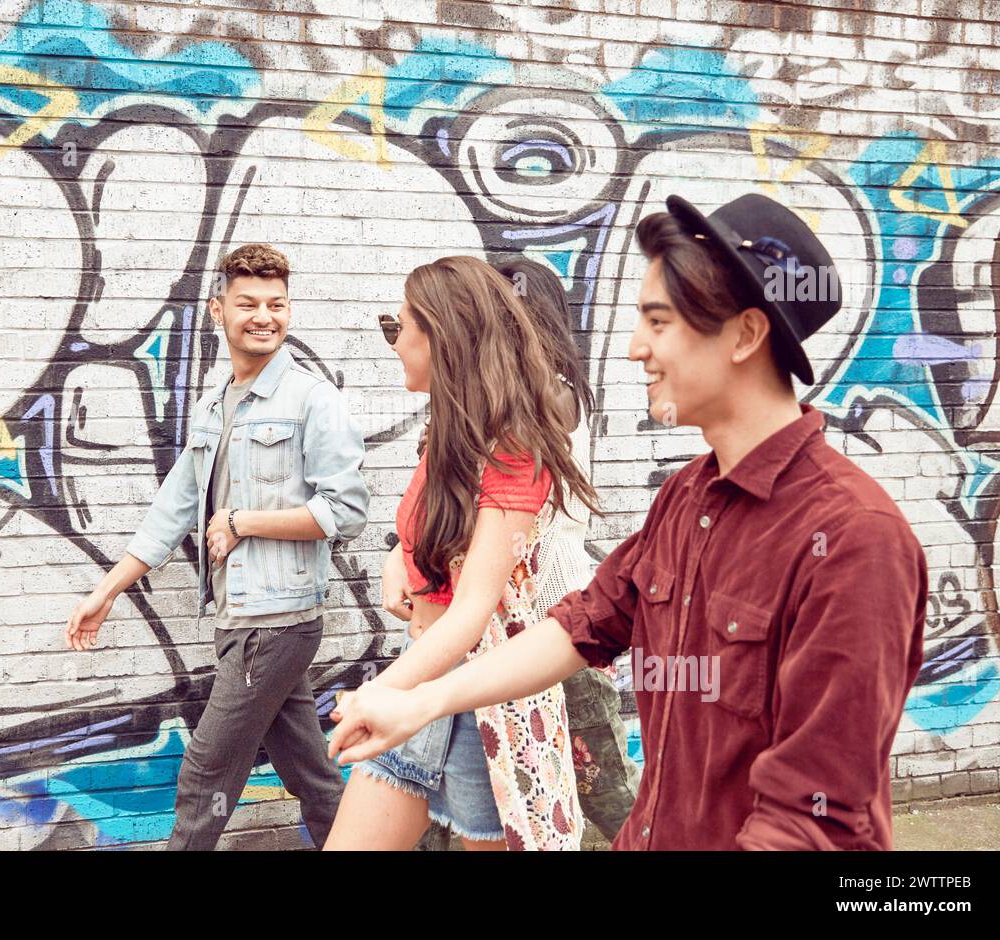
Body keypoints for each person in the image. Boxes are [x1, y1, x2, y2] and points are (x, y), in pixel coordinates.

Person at [329, 195, 928, 851]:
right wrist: (421, 701)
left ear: (747, 335)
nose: (636, 347)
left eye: (658, 322)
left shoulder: (854, 539)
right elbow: (584, 624)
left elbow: (811, 825)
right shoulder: (685, 499)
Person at [64, 243, 369, 850]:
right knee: (313, 778)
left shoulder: (313, 400)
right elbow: (173, 508)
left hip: (277, 621)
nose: (265, 316)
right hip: (240, 619)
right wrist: (105, 592)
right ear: (217, 311)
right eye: (249, 303)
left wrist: (243, 520)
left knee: (205, 770)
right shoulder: (214, 403)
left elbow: (347, 511)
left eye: (277, 304)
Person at [324, 255, 603, 851]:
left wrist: (382, 693)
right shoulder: (448, 427)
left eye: (399, 326)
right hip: (419, 673)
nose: (393, 342)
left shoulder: (516, 446)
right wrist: (399, 556)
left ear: (441, 337)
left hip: (487, 710)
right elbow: (426, 528)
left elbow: (474, 610)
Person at [497, 258, 641, 842]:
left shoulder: (550, 396)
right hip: (508, 623)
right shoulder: (510, 393)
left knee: (606, 791)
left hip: (559, 618)